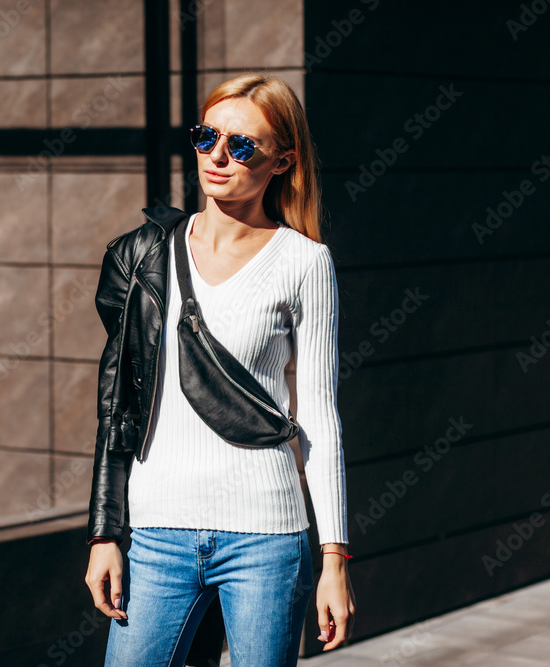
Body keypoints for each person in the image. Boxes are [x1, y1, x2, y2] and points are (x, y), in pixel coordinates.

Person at [84, 73, 355, 666]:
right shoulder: (145, 254)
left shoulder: (305, 263)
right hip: (156, 532)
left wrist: (333, 558)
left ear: (281, 161)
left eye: (242, 146)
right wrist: (106, 532)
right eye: (208, 137)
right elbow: (118, 402)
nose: (217, 157)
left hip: (266, 537)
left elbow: (320, 418)